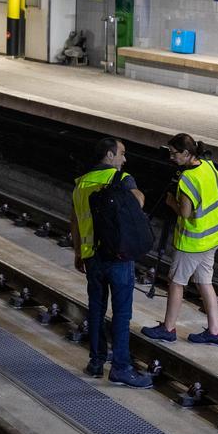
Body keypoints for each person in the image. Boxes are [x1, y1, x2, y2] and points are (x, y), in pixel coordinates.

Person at [71, 137, 153, 388]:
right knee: (122, 313)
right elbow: (138, 203)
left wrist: (78, 252)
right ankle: (121, 368)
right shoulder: (121, 179)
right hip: (118, 256)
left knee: (96, 309)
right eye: (122, 154)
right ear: (109, 155)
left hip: (92, 257)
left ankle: (96, 363)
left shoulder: (81, 184)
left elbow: (75, 222)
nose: (124, 159)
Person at [141, 133, 218, 346]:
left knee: (176, 282)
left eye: (174, 153)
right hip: (214, 237)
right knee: (204, 281)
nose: (171, 157)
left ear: (187, 153)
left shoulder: (187, 179)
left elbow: (185, 213)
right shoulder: (208, 166)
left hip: (193, 242)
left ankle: (168, 328)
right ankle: (215, 331)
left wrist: (172, 201)